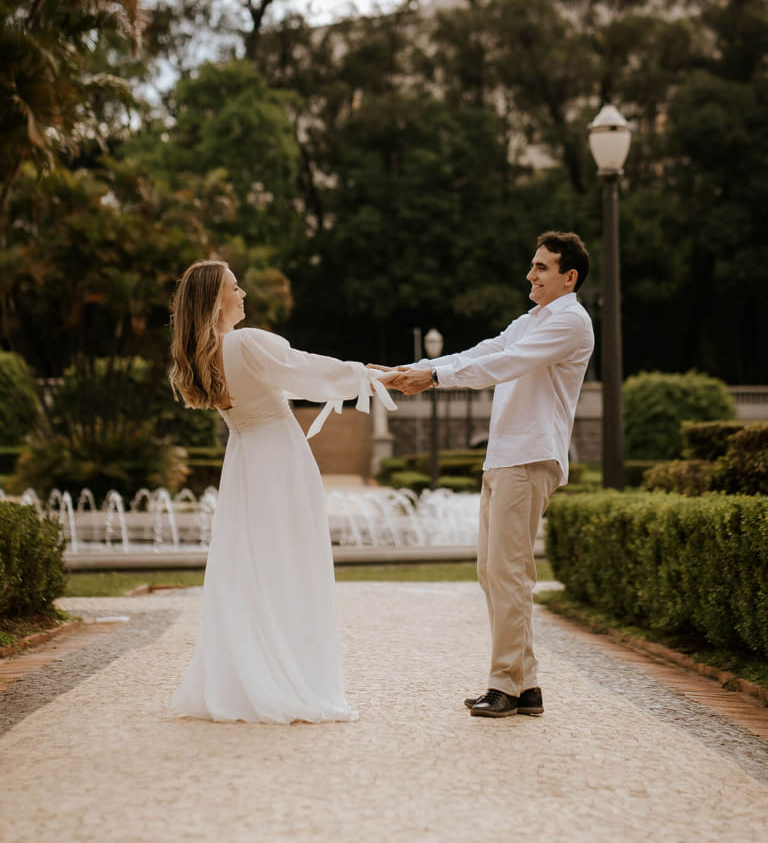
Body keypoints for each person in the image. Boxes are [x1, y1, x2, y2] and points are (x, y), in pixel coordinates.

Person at [167, 259, 394, 724]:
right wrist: (366, 375)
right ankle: (290, 676)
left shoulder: (202, 356)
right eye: (235, 287)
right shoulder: (247, 344)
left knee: (251, 567)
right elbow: (302, 368)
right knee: (291, 563)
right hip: (280, 461)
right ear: (216, 298)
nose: (243, 293)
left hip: (245, 462)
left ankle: (250, 673)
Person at [379, 231, 593, 718]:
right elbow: (480, 352)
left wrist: (432, 378)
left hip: (528, 456)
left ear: (569, 276)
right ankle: (528, 683)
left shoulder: (571, 323)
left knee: (509, 573)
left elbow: (505, 364)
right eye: (532, 265)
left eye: (541, 267)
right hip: (503, 457)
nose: (530, 274)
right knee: (493, 573)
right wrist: (411, 369)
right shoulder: (532, 320)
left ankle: (505, 685)